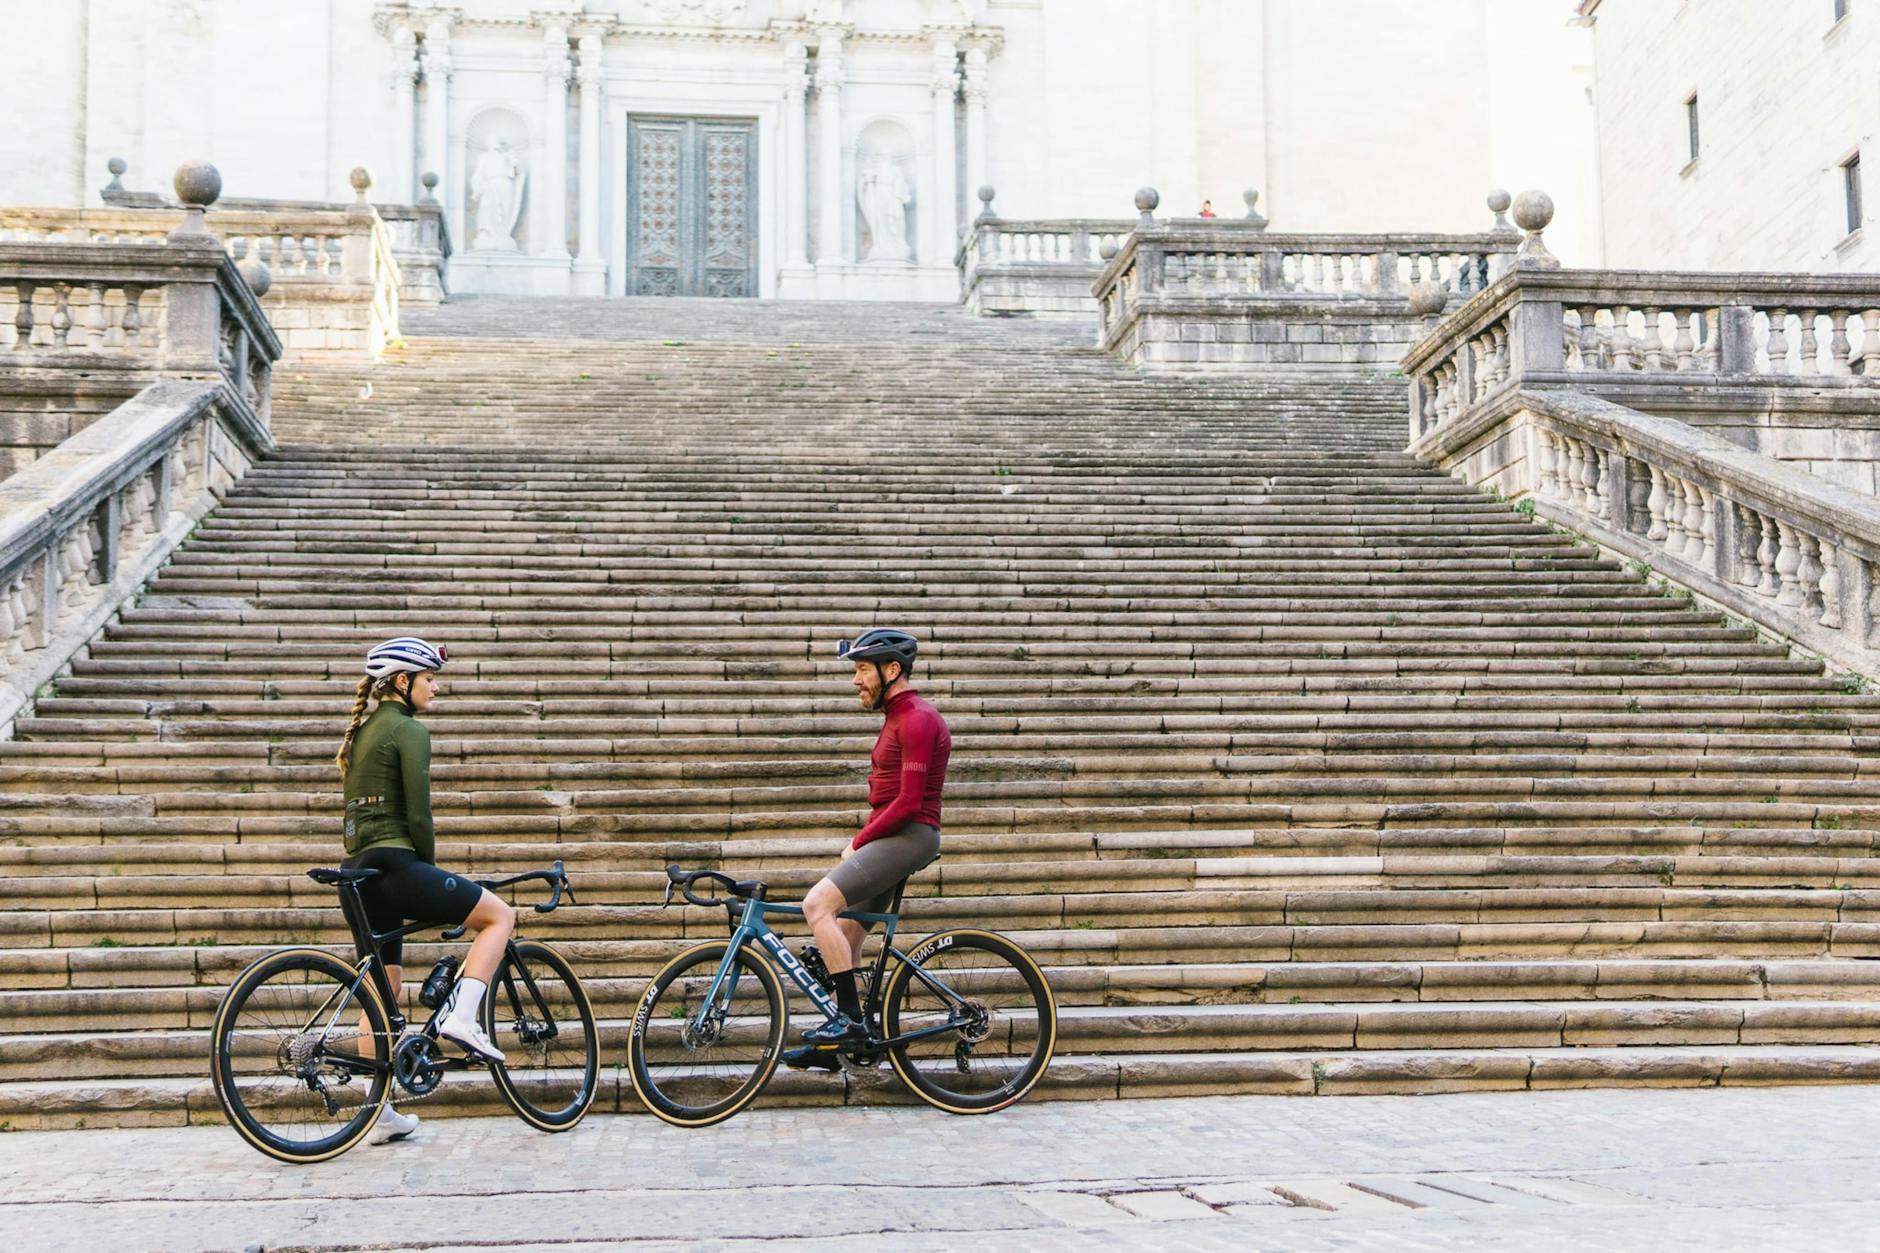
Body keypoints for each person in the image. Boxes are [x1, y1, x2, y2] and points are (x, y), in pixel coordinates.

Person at [335, 637, 517, 1142]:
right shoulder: (409, 730)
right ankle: (462, 1017)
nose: (436, 686)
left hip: (357, 872)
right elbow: (418, 814)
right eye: (429, 678)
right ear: (402, 682)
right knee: (499, 917)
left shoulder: (364, 731)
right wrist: (433, 876)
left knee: (383, 991)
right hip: (397, 867)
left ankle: (376, 1114)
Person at [787, 629, 951, 1069]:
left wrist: (859, 842)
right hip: (894, 835)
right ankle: (838, 1045)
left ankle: (851, 1024)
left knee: (817, 905)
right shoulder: (898, 717)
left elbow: (910, 802)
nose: (856, 680)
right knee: (846, 936)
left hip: (910, 836)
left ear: (891, 670)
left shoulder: (916, 718)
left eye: (862, 669)